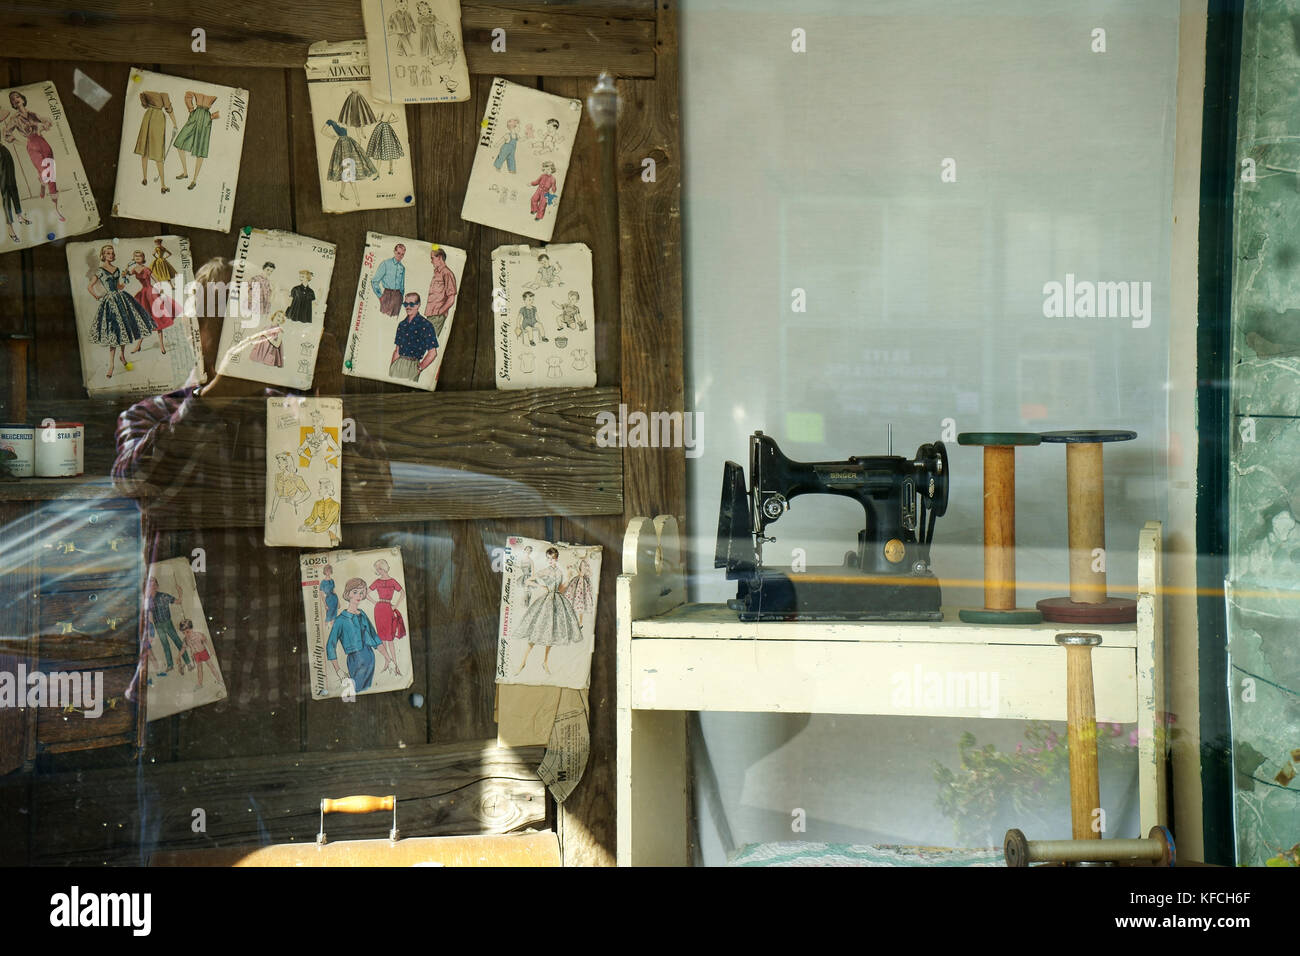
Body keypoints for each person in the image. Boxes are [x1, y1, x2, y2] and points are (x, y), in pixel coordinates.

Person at [89, 244, 156, 380]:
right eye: (108, 253)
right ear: (103, 255)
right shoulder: (100, 271)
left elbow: (119, 286)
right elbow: (90, 286)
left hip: (121, 298)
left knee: (124, 329)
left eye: (112, 253)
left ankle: (123, 356)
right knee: (114, 333)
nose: (111, 255)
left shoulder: (117, 269)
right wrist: (97, 296)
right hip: (110, 303)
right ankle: (111, 365)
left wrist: (125, 279)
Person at [513, 547, 583, 675]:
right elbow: (528, 580)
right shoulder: (545, 571)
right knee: (537, 631)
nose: (551, 560)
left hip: (557, 602)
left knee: (551, 632)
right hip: (546, 603)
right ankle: (523, 662)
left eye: (553, 558)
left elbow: (561, 590)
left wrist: (568, 577)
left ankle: (545, 662)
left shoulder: (560, 572)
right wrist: (541, 586)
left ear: (556, 558)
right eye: (549, 558)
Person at [7, 90, 67, 219]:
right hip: (32, 146)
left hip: (44, 143)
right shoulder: (14, 119)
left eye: (17, 97)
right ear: (13, 104)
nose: (15, 99)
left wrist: (41, 126)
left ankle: (56, 208)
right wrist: (23, 142)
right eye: (12, 99)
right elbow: (6, 133)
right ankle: (43, 183)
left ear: (22, 99)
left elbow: (48, 121)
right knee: (45, 171)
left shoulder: (33, 114)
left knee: (51, 172)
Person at [325, 577, 381, 693]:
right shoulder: (340, 620)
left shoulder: (363, 614)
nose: (359, 596)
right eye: (355, 592)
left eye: (361, 592)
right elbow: (330, 645)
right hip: (355, 660)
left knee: (368, 691)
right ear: (348, 593)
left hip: (370, 657)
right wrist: (338, 670)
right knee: (357, 691)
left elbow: (375, 637)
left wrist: (388, 659)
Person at [125, 249, 176, 353]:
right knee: (144, 321)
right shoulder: (134, 269)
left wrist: (160, 288)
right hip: (143, 294)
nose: (138, 258)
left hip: (151, 293)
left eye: (140, 256)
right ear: (133, 258)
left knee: (157, 320)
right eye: (136, 257)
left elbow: (155, 279)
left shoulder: (147, 269)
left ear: (143, 258)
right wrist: (126, 268)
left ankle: (162, 346)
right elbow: (127, 274)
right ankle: (138, 346)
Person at [172, 90, 220, 190]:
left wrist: (211, 117)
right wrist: (190, 109)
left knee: (200, 150)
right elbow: (188, 94)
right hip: (195, 115)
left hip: (206, 119)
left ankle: (194, 180)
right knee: (179, 142)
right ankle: (185, 173)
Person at [367, 558, 406, 676]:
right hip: (379, 610)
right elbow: (366, 593)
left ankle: (396, 664)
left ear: (382, 568)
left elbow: (403, 593)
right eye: (376, 569)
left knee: (389, 639)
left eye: (378, 569)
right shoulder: (377, 582)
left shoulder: (393, 581)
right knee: (382, 638)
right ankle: (387, 662)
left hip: (388, 609)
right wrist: (375, 603)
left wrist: (396, 606)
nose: (377, 571)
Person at [146, 576, 191, 676]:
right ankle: (170, 665)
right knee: (165, 645)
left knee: (177, 641)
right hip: (157, 625)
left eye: (154, 585)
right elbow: (147, 614)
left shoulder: (163, 596)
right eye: (150, 585)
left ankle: (188, 662)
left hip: (167, 623)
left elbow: (179, 601)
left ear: (157, 586)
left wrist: (180, 592)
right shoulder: (148, 600)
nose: (152, 587)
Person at [390, 292, 438, 382]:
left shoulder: (426, 325)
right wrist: (392, 367)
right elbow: (397, 350)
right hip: (397, 366)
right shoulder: (402, 324)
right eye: (405, 304)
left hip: (412, 367)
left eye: (411, 304)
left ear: (418, 305)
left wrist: (419, 369)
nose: (408, 307)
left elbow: (433, 353)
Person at [179, 619, 222, 689]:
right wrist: (178, 656)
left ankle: (219, 680)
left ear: (191, 628)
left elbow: (207, 642)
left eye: (187, 632)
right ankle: (200, 684)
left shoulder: (199, 635)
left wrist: (212, 651)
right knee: (199, 669)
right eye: (183, 633)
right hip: (196, 655)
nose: (186, 634)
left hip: (203, 652)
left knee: (211, 666)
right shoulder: (185, 640)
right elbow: (183, 648)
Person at [424, 247, 457, 336]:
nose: (431, 261)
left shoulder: (447, 273)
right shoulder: (437, 273)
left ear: (440, 258)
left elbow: (451, 298)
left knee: (429, 344)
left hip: (437, 316)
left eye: (432, 258)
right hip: (431, 315)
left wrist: (440, 312)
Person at [269, 450, 310, 520]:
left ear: (286, 463)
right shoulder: (277, 476)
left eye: (279, 462)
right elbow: (276, 496)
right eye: (278, 463)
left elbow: (307, 492)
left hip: (289, 508)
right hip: (279, 508)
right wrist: (272, 512)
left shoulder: (296, 478)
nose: (278, 465)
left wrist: (297, 502)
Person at [301, 476, 341, 546]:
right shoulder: (317, 503)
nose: (318, 490)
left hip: (332, 532)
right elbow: (313, 517)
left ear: (327, 489)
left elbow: (328, 522)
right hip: (320, 530)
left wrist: (312, 529)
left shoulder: (335, 505)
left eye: (320, 488)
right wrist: (305, 525)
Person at [370, 243, 406, 317]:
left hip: (398, 297)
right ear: (394, 251)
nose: (400, 256)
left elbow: (402, 285)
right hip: (387, 295)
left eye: (402, 254)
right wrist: (380, 296)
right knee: (384, 318)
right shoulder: (385, 264)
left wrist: (401, 297)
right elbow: (374, 281)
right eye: (398, 253)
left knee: (394, 321)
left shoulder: (402, 267)